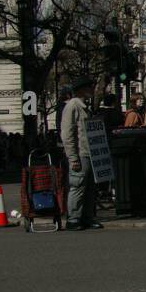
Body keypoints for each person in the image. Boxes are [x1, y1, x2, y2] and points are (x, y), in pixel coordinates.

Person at [60, 77, 102, 230]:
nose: (92, 90)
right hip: (80, 154)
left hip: (89, 153)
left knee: (89, 188)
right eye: (89, 87)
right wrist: (73, 158)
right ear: (82, 90)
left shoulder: (84, 107)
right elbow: (67, 134)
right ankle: (73, 219)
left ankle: (87, 217)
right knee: (78, 186)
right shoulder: (73, 106)